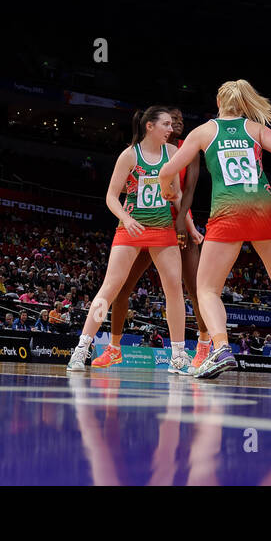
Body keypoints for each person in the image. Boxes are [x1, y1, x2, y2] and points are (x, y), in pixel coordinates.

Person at [158, 81, 271, 379]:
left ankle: (221, 347)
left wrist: (168, 189)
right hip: (264, 209)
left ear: (219, 101)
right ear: (243, 103)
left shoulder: (204, 132)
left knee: (207, 288)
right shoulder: (254, 128)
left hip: (229, 213)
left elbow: (167, 171)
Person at [89, 107, 211, 372]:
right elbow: (118, 189)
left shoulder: (183, 151)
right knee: (119, 288)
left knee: (191, 288)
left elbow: (184, 194)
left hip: (171, 226)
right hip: (138, 226)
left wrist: (186, 227)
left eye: (177, 121)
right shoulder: (134, 153)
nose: (173, 125)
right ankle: (112, 348)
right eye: (168, 121)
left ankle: (200, 346)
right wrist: (128, 196)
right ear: (151, 125)